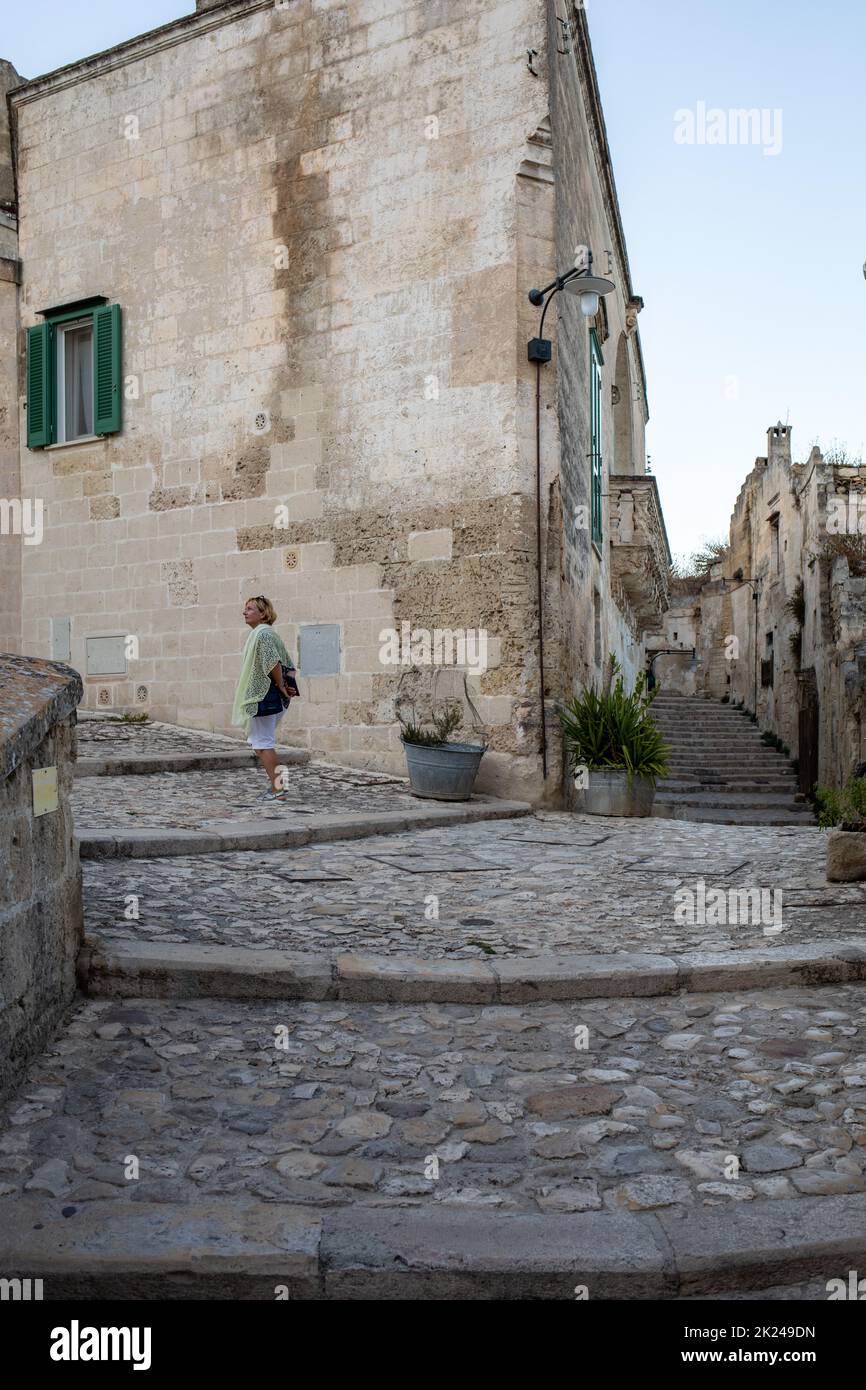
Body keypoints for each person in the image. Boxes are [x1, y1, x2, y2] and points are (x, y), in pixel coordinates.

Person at [231, 595, 297, 800]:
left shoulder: (263, 635)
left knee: (263, 745)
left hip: (264, 695)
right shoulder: (264, 634)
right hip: (267, 695)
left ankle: (280, 789)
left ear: (263, 614)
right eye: (245, 608)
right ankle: (279, 788)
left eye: (250, 609)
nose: (245, 612)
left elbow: (273, 663)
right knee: (261, 745)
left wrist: (281, 686)